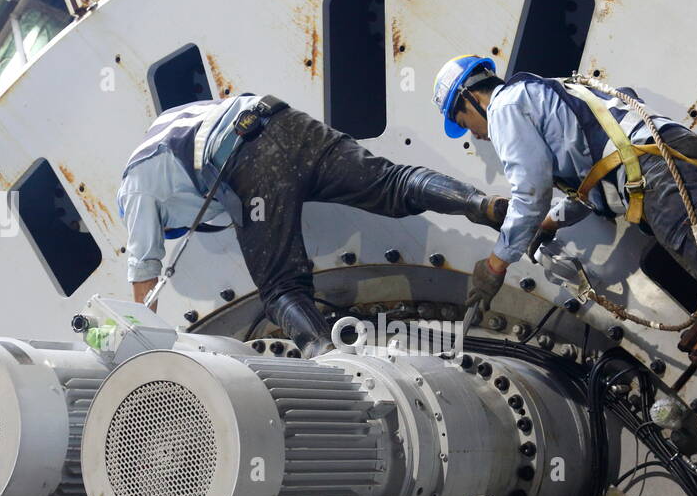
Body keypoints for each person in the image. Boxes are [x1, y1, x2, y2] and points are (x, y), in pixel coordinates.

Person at [432, 55, 697, 440]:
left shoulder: (506, 107)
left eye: (463, 120)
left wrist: (495, 263)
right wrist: (549, 223)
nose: (476, 135)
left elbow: (528, 192)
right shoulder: (543, 94)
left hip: (655, 175)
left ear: (471, 98)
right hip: (664, 162)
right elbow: (592, 180)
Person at [118, 93, 507, 357]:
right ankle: (480, 204)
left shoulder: (134, 185)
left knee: (279, 289)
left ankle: (327, 358)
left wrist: (143, 339)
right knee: (391, 183)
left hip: (247, 157)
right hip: (284, 121)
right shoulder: (168, 129)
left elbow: (144, 269)